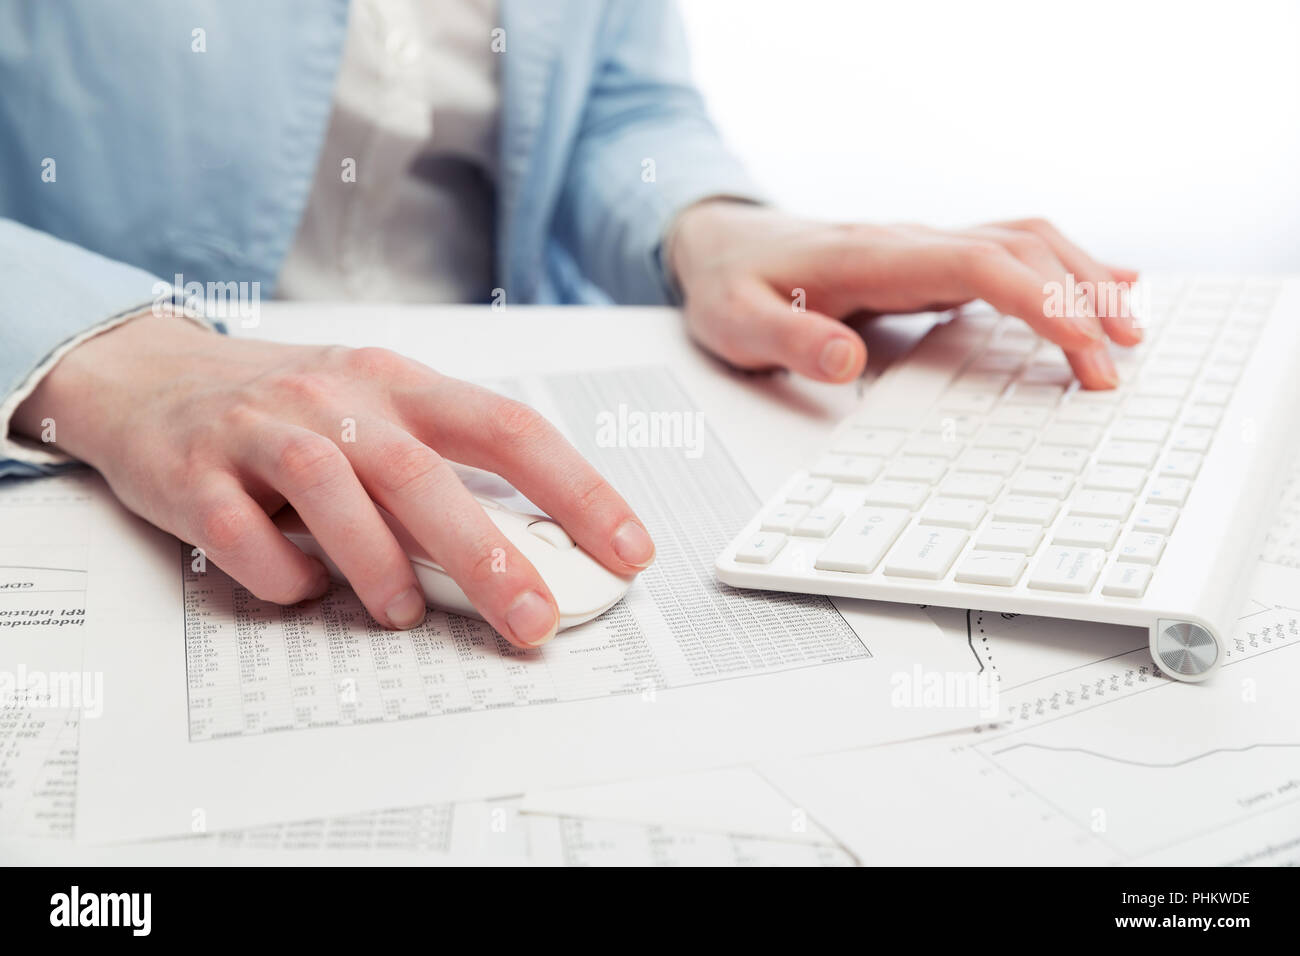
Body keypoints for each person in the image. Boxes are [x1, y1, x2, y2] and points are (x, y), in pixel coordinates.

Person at [0, 0, 1139, 650]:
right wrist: (112, 354)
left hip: (484, 386)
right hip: (86, 425)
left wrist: (705, 225)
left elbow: (619, 101)